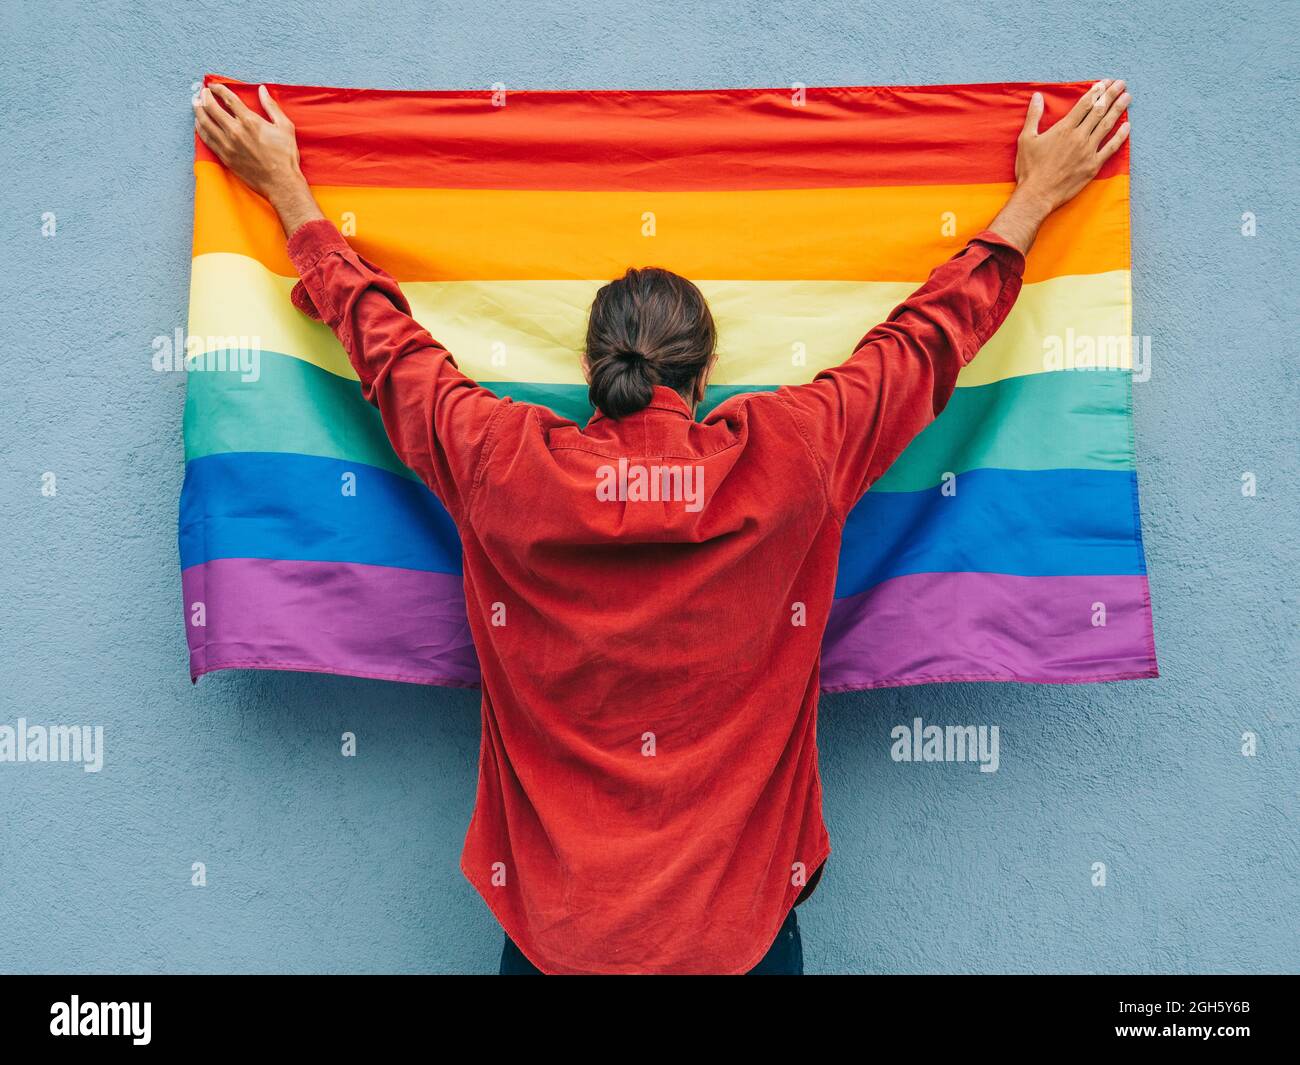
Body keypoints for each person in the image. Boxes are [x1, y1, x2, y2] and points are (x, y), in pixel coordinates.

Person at [194, 78, 1131, 975]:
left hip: (557, 939)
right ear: (707, 373)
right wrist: (1035, 200)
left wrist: (288, 192)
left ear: (590, 367)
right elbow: (923, 343)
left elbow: (390, 350)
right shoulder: (795, 453)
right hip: (743, 941)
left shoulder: (500, 461)